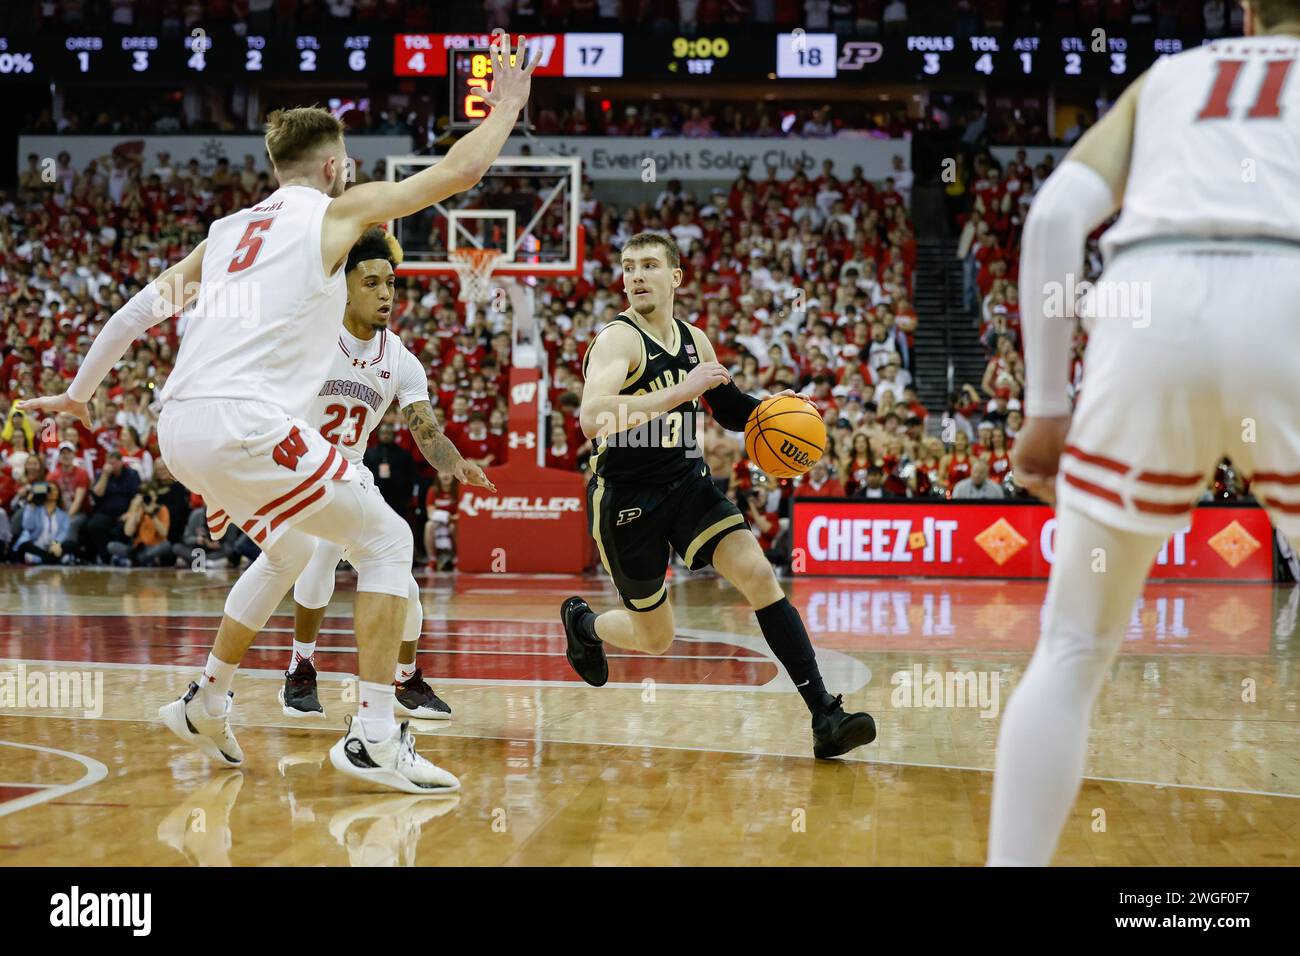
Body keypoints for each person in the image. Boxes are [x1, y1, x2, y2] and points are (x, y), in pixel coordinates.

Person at [19, 33, 537, 794]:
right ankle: (372, 737)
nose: (353, 169)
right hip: (245, 423)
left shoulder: (227, 234)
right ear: (332, 167)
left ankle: (207, 698)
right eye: (349, 159)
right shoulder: (331, 216)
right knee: (388, 540)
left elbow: (136, 313)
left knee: (291, 554)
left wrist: (79, 390)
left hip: (179, 427)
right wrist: (510, 107)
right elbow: (462, 169)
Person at [989, 0, 1300, 865]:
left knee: (1074, 647)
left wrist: (1047, 405)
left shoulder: (1169, 77)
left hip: (1149, 299)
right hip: (1292, 288)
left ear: (1245, 8)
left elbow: (1052, 222)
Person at [560, 231, 876, 759]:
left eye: (649, 265)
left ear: (676, 276)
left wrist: (774, 410)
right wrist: (682, 391)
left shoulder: (693, 340)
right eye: (628, 266)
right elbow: (593, 418)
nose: (636, 275)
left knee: (758, 573)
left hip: (687, 483)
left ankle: (825, 714)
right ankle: (584, 624)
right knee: (656, 637)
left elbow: (727, 406)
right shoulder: (619, 340)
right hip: (627, 498)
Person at [277, 228, 493, 721]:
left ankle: (405, 678)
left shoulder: (401, 359)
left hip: (351, 472)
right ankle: (300, 667)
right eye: (371, 282)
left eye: (391, 283)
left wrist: (456, 463)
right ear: (346, 287)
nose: (385, 294)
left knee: (406, 589)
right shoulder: (315, 333)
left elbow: (427, 432)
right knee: (317, 562)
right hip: (301, 468)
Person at [82, 450, 140, 563]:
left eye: (114, 463)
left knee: (123, 526)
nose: (111, 466)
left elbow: (136, 496)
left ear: (121, 462)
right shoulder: (102, 474)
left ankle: (120, 555)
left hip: (125, 511)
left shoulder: (132, 474)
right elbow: (97, 494)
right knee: (93, 525)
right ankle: (105, 556)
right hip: (105, 511)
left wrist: (130, 512)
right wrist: (105, 475)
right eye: (109, 463)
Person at [12, 482, 71, 565]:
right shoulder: (34, 509)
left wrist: (55, 544)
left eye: (54, 490)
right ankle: (51, 559)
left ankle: (48, 558)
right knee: (24, 546)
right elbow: (27, 526)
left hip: (53, 547)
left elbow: (64, 532)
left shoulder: (63, 515)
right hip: (35, 546)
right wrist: (31, 504)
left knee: (70, 545)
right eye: (48, 490)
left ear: (58, 493)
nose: (50, 492)